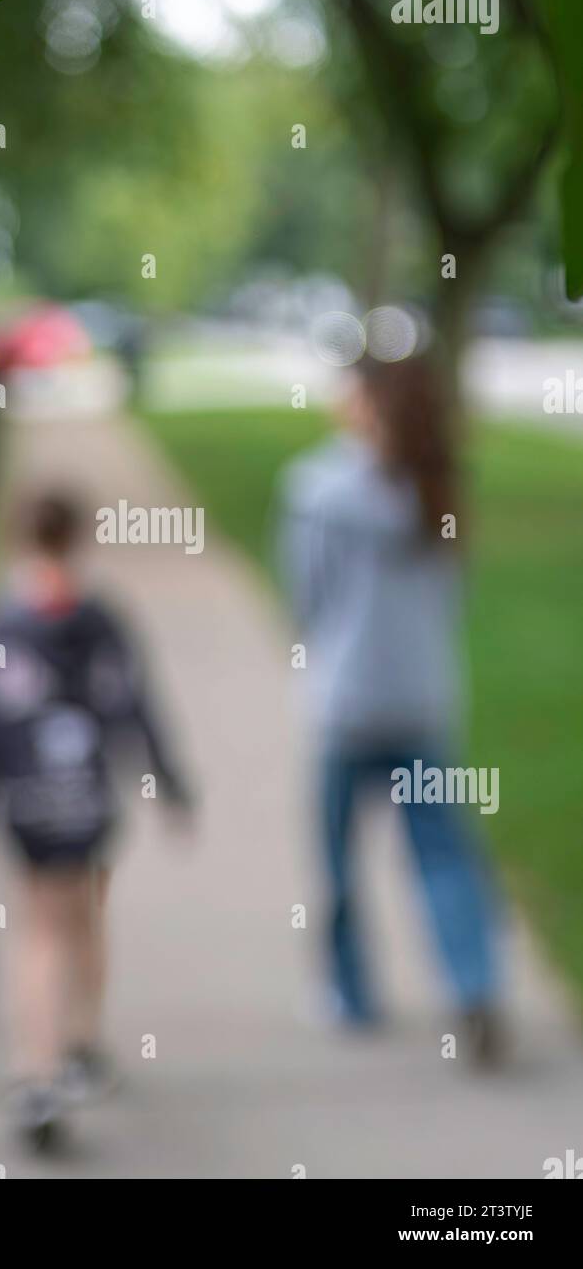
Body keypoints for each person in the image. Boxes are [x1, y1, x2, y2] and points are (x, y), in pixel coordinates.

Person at [274, 354, 504, 1065]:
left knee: (339, 860)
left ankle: (351, 993)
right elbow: (453, 595)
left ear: (366, 403)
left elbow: (305, 593)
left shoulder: (317, 487)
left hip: (344, 704)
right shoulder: (438, 484)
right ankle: (474, 984)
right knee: (444, 856)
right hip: (423, 703)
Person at [0, 491, 192, 1148]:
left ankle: (39, 1065)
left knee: (38, 927)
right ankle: (71, 1048)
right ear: (80, 538)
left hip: (28, 799)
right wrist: (168, 782)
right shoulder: (101, 619)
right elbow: (137, 703)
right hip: (89, 798)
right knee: (84, 915)